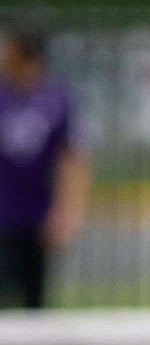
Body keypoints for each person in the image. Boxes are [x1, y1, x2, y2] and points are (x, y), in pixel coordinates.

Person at [0, 20, 89, 309]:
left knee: (33, 300)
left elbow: (73, 157)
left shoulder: (58, 98)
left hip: (37, 212)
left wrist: (67, 211)